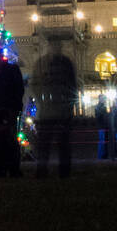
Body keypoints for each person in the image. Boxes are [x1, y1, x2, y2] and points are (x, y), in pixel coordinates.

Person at [32, 38, 78, 179]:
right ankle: (60, 172)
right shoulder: (65, 63)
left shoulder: (42, 63)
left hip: (52, 110)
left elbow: (35, 83)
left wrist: (41, 99)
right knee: (56, 144)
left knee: (48, 144)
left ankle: (46, 171)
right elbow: (72, 86)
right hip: (56, 109)